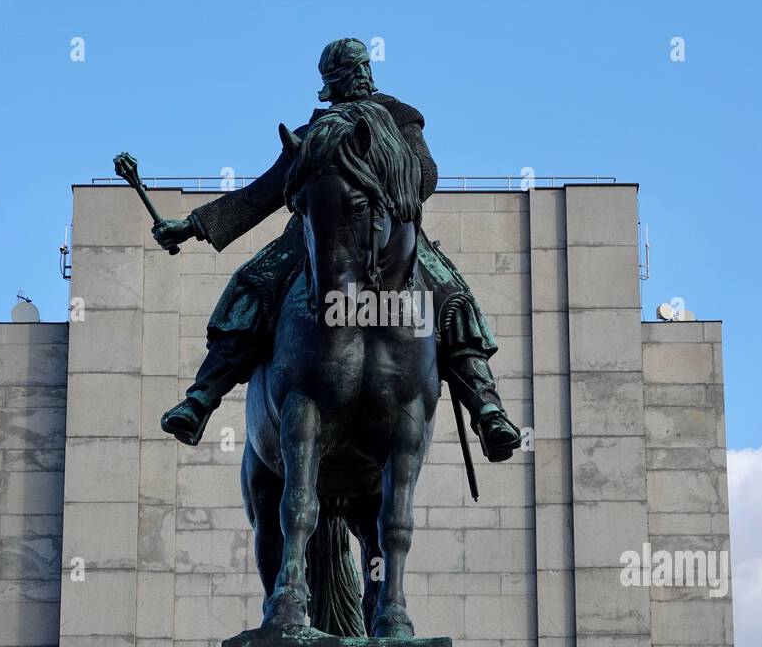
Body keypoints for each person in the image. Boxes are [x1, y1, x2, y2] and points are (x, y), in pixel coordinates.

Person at [151, 38, 522, 461]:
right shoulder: (311, 134)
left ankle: (486, 407)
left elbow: (426, 175)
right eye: (349, 72)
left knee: (453, 296)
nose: (360, 76)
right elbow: (262, 194)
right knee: (252, 285)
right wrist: (193, 226)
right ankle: (201, 398)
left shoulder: (400, 117)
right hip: (315, 237)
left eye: (363, 67)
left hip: (388, 235)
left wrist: (386, 187)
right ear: (331, 83)